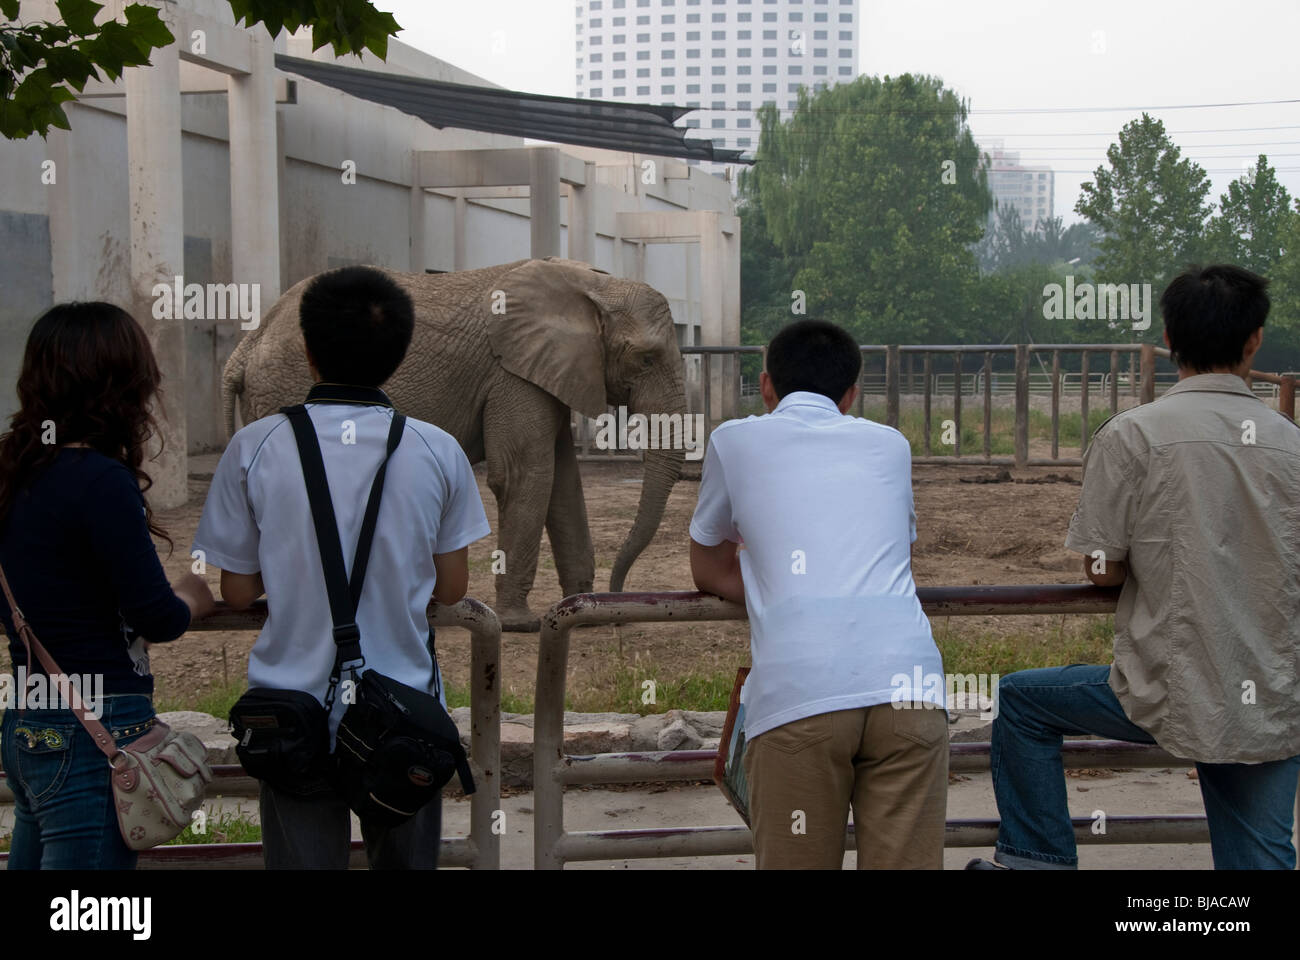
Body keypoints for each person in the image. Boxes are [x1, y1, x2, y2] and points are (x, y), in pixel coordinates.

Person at [969, 264, 1300, 871]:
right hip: (1273, 691)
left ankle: (1037, 861)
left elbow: (1102, 566)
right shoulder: (1290, 444)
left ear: (1169, 341)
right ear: (1255, 340)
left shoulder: (1132, 436)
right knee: (1260, 857)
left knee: (1020, 701)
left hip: (1166, 689)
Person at [192, 265, 490, 869]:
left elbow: (240, 588)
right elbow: (454, 588)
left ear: (306, 350)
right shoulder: (437, 448)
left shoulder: (254, 447)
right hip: (400, 715)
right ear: (400, 356)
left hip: (289, 718)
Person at [689, 319, 948, 869]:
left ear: (766, 385)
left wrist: (773, 587)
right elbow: (890, 557)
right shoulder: (891, 445)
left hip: (799, 693)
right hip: (910, 688)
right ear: (852, 394)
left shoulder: (732, 441)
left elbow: (708, 568)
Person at [0, 302, 215, 870]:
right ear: (125, 385)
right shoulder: (101, 480)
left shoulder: (11, 473)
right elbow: (157, 617)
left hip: (29, 721)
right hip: (96, 730)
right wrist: (193, 594)